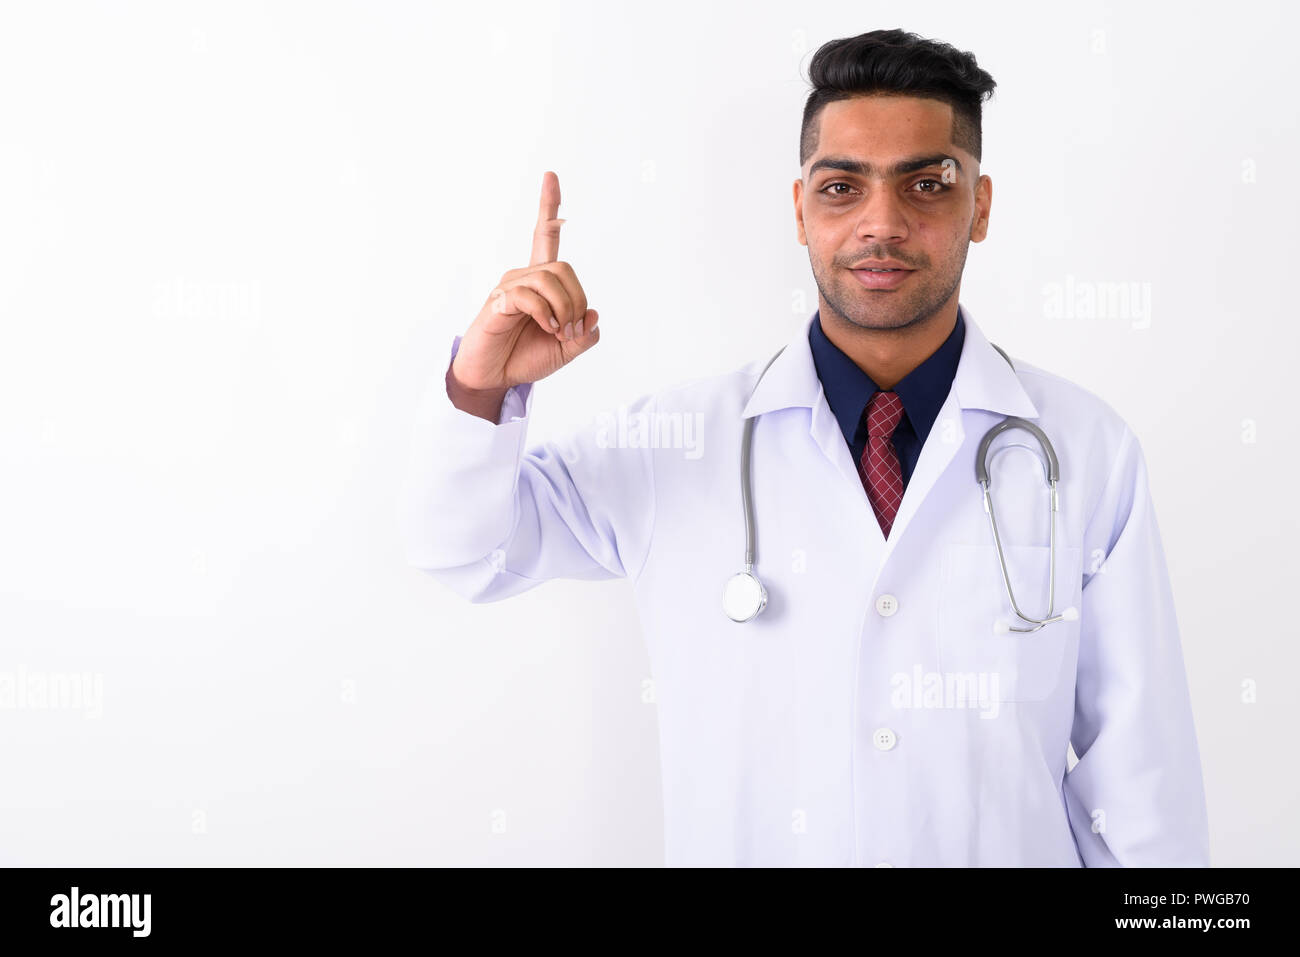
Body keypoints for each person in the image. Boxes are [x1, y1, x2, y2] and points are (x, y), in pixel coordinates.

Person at [403, 28, 1210, 867]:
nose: (882, 224)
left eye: (927, 184)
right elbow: (464, 552)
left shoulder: (1084, 449)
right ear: (800, 211)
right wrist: (479, 384)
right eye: (842, 187)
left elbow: (1144, 790)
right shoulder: (675, 443)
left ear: (982, 206)